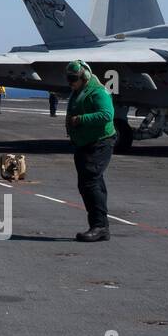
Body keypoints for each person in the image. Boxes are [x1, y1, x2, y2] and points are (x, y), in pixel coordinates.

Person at [64, 60, 116, 242]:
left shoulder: (98, 91)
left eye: (73, 78)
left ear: (84, 76)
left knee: (90, 183)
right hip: (85, 144)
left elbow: (107, 114)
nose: (70, 82)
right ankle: (101, 226)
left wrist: (81, 119)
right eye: (68, 78)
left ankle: (99, 226)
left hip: (99, 143)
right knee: (89, 183)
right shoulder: (79, 90)